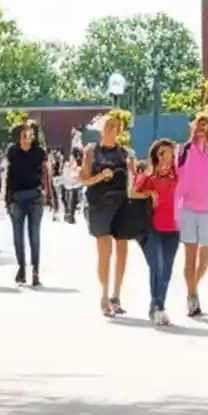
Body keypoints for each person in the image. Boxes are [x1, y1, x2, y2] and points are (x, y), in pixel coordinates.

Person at [80, 112, 135, 317]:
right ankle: (103, 294)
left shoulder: (125, 153)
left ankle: (116, 295)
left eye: (116, 127)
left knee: (122, 250)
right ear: (102, 130)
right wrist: (100, 176)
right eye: (109, 127)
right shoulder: (91, 151)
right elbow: (83, 178)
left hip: (122, 204)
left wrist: (134, 170)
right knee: (105, 252)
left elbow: (134, 179)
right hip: (99, 204)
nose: (113, 131)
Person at [176, 114, 208, 318]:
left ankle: (193, 287)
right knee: (190, 256)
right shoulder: (184, 150)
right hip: (187, 209)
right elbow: (175, 175)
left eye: (205, 127)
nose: (201, 130)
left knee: (205, 258)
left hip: (205, 210)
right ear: (193, 128)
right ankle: (191, 296)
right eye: (198, 126)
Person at [134, 139, 181, 326]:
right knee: (157, 266)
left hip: (173, 228)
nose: (165, 157)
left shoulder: (178, 176)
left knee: (167, 271)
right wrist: (149, 194)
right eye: (161, 153)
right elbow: (133, 194)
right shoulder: (148, 177)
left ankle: (157, 303)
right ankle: (158, 307)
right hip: (152, 229)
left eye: (169, 153)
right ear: (155, 155)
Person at [6, 121, 50, 287]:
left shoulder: (39, 152)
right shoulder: (13, 151)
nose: (27, 138)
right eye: (24, 134)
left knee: (34, 235)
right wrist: (8, 199)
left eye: (30, 135)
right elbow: (9, 176)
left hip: (34, 197)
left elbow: (45, 174)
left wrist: (48, 195)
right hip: (17, 197)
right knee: (18, 236)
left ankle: (35, 270)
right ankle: (21, 268)